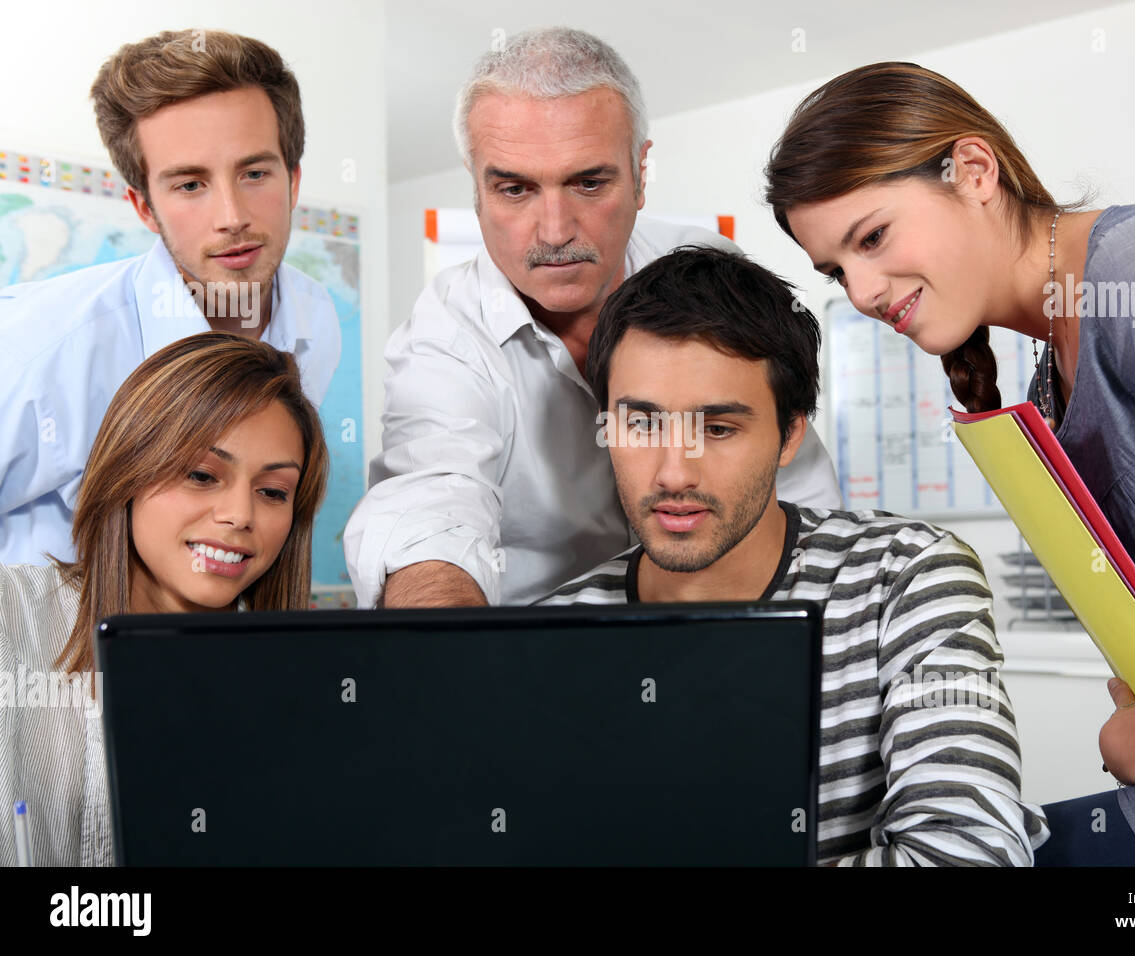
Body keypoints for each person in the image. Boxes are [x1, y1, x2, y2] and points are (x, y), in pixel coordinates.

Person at [765, 61, 1135, 865]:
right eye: (837, 270)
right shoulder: (1049, 376)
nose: (865, 290)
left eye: (872, 237)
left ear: (975, 172)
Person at [538, 245, 1047, 865]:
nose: (672, 473)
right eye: (642, 424)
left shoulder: (904, 580)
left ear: (788, 436)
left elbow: (969, 855)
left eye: (719, 429)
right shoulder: (552, 633)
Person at [344, 27, 841, 610]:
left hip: (734, 622)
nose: (555, 232)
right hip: (537, 657)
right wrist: (449, 658)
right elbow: (431, 505)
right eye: (514, 188)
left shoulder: (707, 272)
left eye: (588, 182)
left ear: (640, 171)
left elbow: (793, 482)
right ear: (476, 188)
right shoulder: (446, 338)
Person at [0, 29, 340, 566]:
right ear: (144, 207)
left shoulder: (314, 319)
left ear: (293, 181)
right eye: (189, 185)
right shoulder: (37, 346)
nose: (232, 217)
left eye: (254, 173)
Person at [0, 332, 328, 866]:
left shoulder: (306, 692)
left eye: (273, 492)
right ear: (126, 471)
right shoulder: (10, 616)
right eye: (201, 475)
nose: (240, 515)